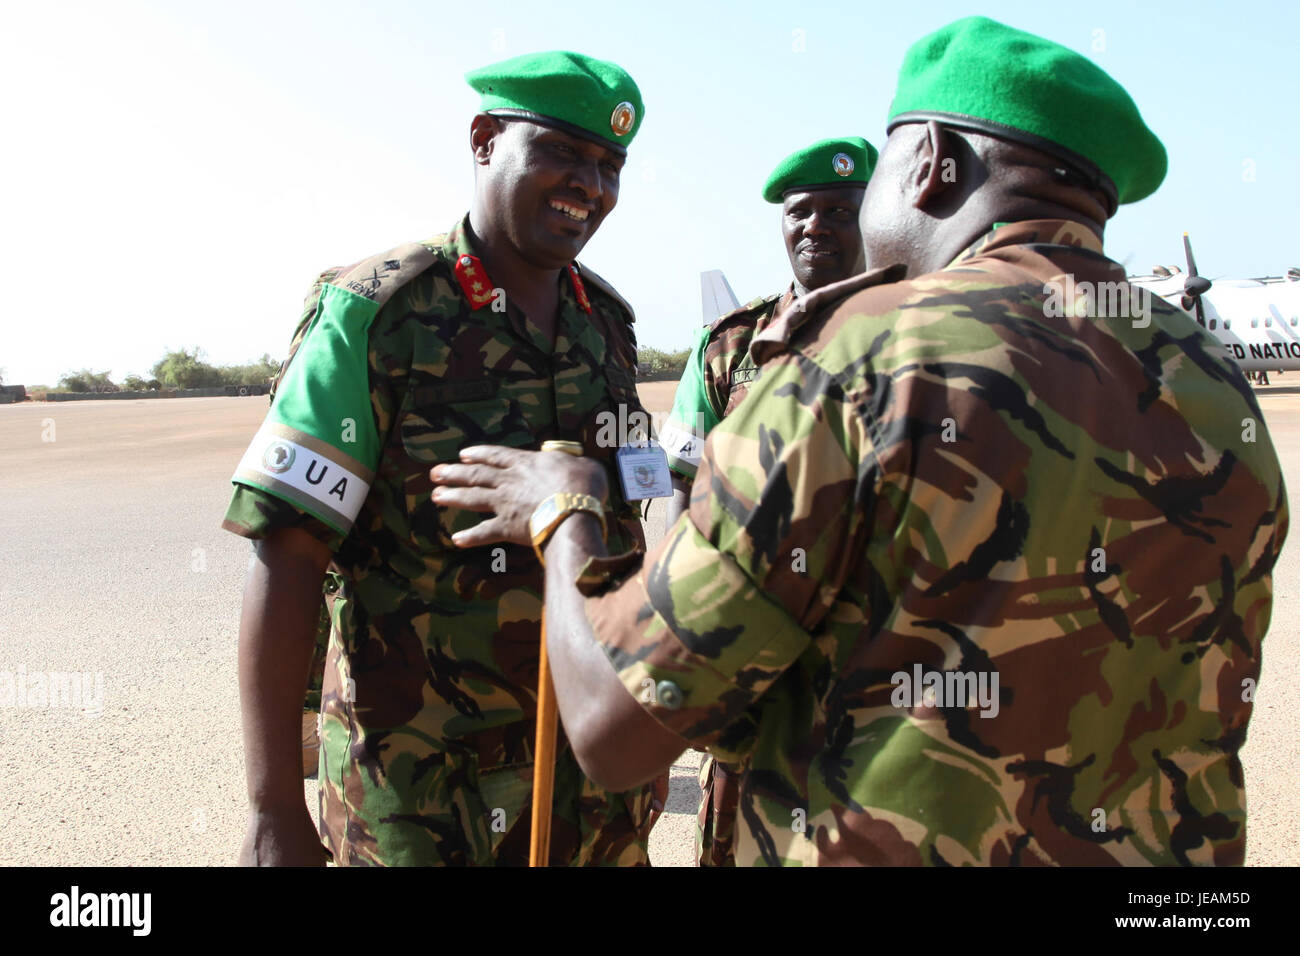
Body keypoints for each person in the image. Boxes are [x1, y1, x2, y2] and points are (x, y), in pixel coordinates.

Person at [430, 17, 1287, 865]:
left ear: (930, 164)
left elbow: (615, 731)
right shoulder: (1214, 383)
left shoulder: (865, 354)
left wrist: (563, 512)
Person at [223, 50, 666, 866]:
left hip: (593, 796)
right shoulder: (378, 314)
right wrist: (273, 809)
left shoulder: (606, 324)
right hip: (423, 800)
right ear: (485, 139)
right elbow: (286, 558)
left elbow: (630, 524)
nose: (589, 184)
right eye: (563, 151)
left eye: (609, 166)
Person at [657, 136, 876, 866]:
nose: (818, 227)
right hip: (752, 702)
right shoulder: (729, 348)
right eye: (802, 212)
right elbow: (681, 496)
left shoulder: (915, 335)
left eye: (841, 211)